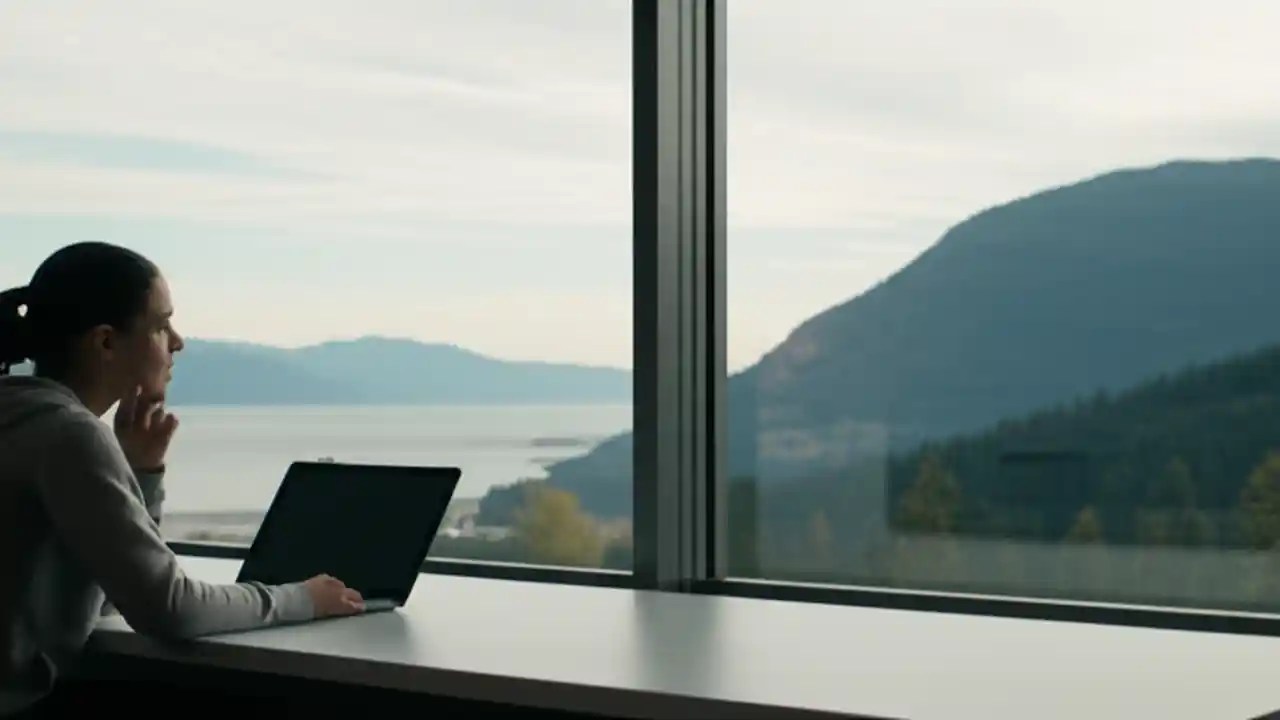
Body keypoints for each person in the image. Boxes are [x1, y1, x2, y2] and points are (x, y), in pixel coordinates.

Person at [0, 242, 365, 716]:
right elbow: (170, 608)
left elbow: (111, 595)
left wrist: (142, 475)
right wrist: (304, 599)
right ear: (106, 342)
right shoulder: (68, 434)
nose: (177, 342)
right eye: (161, 325)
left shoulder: (24, 414)